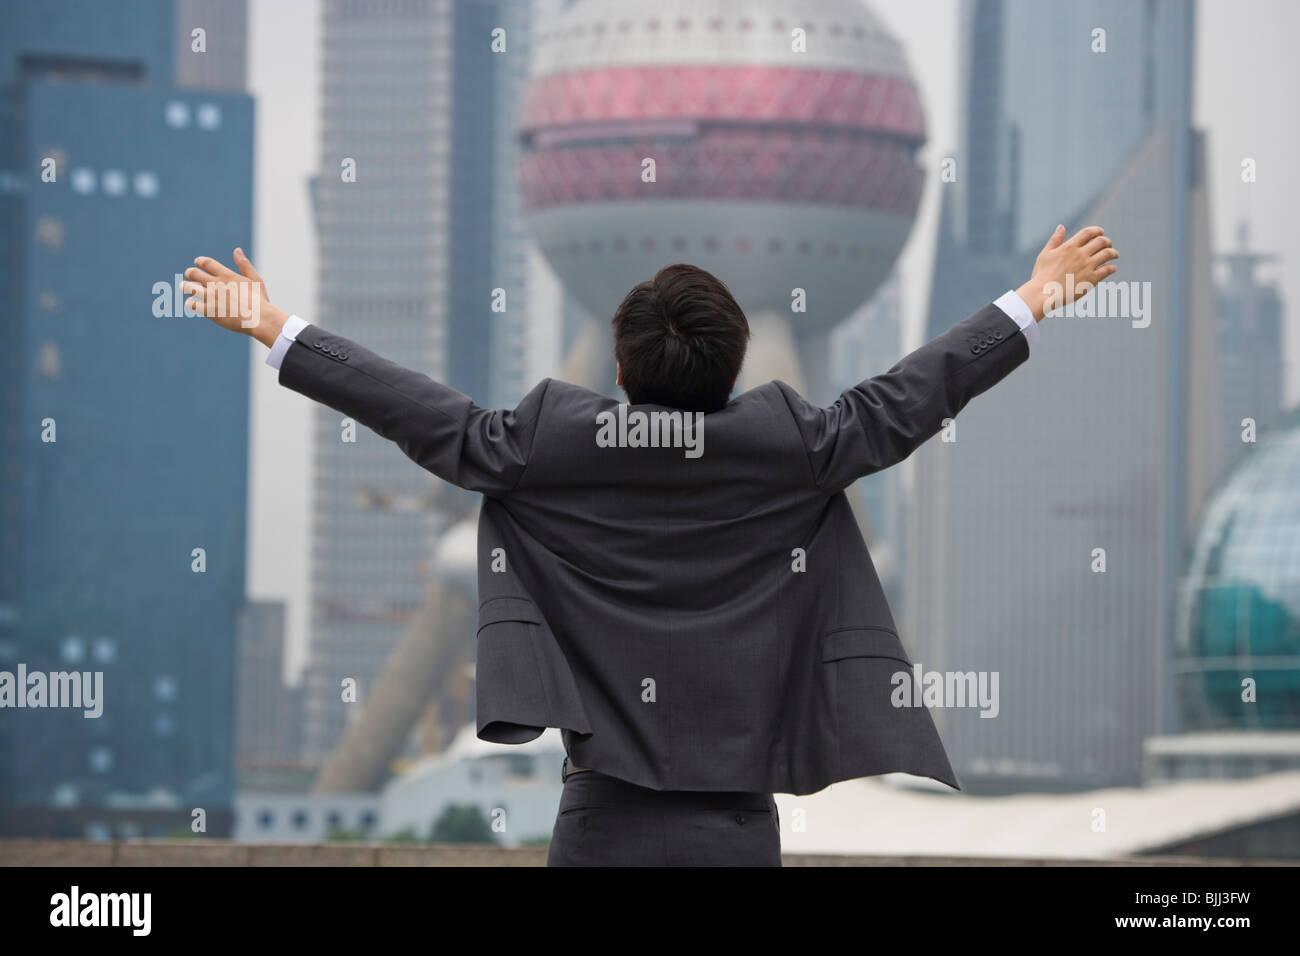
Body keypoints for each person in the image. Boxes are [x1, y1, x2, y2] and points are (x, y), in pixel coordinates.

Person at [183, 224, 1118, 866]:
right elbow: (914, 395)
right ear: (735, 366)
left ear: (620, 369)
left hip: (599, 827)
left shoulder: (550, 440)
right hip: (736, 833)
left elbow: (421, 412)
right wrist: (1035, 297)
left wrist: (274, 325)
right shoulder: (794, 446)